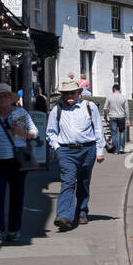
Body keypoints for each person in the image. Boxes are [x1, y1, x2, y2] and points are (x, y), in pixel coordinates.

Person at [0, 82, 38, 246]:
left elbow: (34, 133)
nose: (2, 99)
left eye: (5, 96)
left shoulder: (20, 113)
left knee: (17, 195)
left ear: (11, 98)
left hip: (17, 160)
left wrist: (21, 133)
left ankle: (14, 230)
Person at [45, 78, 105, 230]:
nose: (69, 96)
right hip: (66, 151)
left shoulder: (89, 107)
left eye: (72, 92)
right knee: (68, 181)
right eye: (66, 93)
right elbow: (50, 132)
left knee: (83, 181)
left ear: (79, 93)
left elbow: (98, 129)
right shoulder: (56, 110)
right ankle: (64, 216)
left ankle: (82, 211)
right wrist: (57, 148)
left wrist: (100, 151)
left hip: (87, 149)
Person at [103, 84, 129, 155]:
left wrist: (105, 117)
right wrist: (128, 119)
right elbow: (126, 109)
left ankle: (116, 150)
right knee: (122, 132)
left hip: (112, 117)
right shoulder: (124, 97)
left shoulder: (109, 97)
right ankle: (121, 148)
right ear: (119, 89)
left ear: (113, 89)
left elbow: (105, 108)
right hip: (121, 116)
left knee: (113, 134)